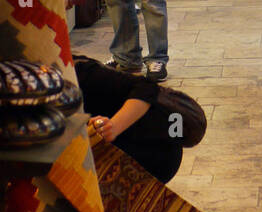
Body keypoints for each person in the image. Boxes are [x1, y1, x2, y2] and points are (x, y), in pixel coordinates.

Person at [74, 54, 184, 184]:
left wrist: (113, 126)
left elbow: (147, 87)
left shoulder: (78, 72)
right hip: (105, 161)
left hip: (151, 150)